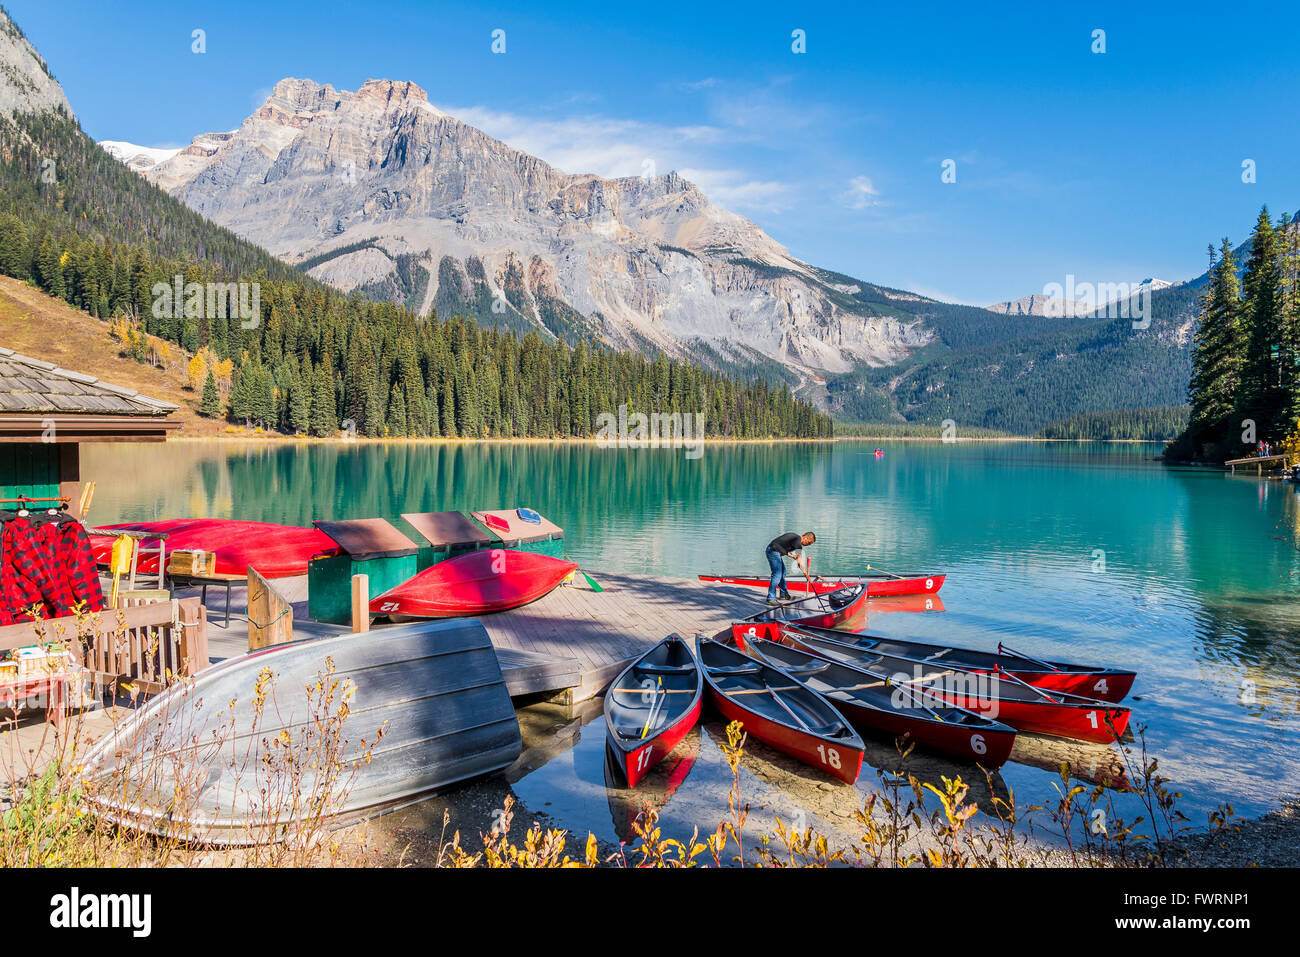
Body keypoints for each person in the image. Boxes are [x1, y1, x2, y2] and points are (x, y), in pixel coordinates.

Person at [765, 531, 816, 605]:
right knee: (777, 575)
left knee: (782, 573)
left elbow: (782, 546)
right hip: (773, 551)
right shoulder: (798, 542)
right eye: (809, 543)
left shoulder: (795, 538)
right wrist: (807, 576)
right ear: (805, 538)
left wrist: (792, 556)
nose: (808, 545)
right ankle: (770, 598)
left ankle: (784, 595)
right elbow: (800, 563)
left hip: (775, 551)